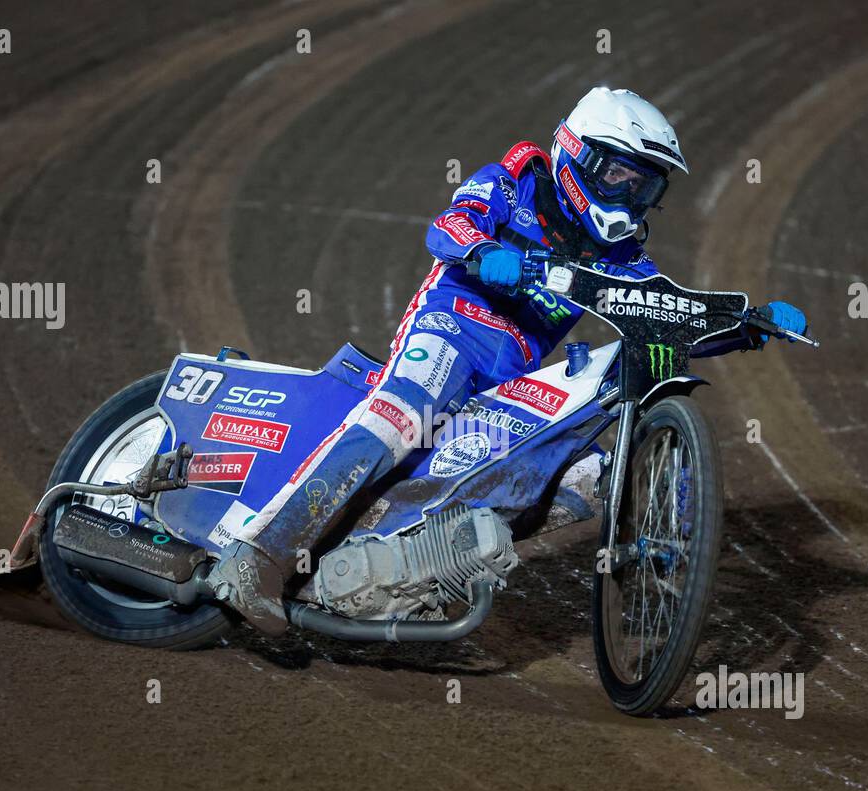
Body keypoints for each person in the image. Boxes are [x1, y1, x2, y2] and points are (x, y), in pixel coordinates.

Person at [213, 87, 808, 636]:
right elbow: (447, 226)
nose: (630, 195)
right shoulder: (516, 179)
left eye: (646, 186)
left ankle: (401, 567)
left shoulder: (620, 254)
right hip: (449, 329)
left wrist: (744, 324)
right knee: (405, 414)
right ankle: (257, 559)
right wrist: (483, 250)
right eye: (621, 174)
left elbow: (664, 314)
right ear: (578, 155)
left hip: (512, 380)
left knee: (583, 480)